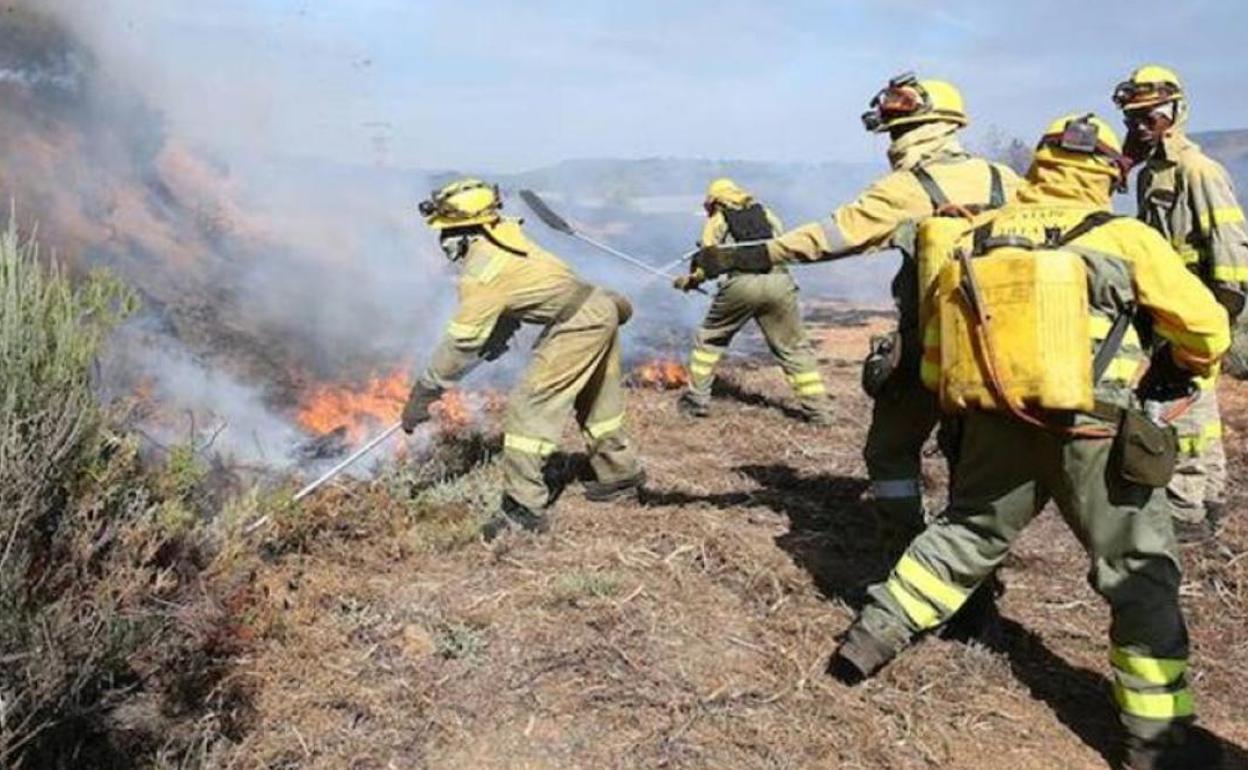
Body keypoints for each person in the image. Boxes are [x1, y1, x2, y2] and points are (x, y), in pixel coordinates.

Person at [829, 114, 1230, 770]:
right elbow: (1207, 330)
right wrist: (1174, 363)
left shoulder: (978, 235)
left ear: (1041, 165)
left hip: (994, 421)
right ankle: (1157, 742)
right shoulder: (1124, 237)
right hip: (1094, 431)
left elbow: (937, 343)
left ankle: (869, 639)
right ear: (1106, 171)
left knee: (965, 533)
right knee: (1139, 572)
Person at [691, 73, 1021, 552]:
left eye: (893, 128)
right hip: (1002, 345)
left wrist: (739, 256)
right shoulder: (1006, 179)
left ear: (910, 128)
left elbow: (828, 238)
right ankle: (970, 551)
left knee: (889, 453)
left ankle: (905, 549)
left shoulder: (906, 187)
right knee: (970, 455)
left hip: (931, 343)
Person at [404, 178, 645, 539]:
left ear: (471, 231)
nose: (444, 243)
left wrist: (425, 391)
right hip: (599, 308)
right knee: (598, 401)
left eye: (448, 233)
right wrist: (497, 338)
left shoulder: (482, 273)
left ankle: (523, 509)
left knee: (528, 407)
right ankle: (619, 473)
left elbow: (460, 343)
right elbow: (516, 297)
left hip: (578, 324)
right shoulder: (505, 237)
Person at [1114, 65, 1248, 542]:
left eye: (1149, 117)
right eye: (1132, 119)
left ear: (1175, 112)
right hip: (1171, 309)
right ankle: (1211, 498)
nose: (1139, 126)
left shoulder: (1198, 170)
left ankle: (1186, 510)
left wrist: (1218, 317)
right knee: (1198, 404)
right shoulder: (1153, 172)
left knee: (1178, 402)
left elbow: (1232, 250)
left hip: (1196, 310)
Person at [673, 178, 833, 424]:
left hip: (742, 285)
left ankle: (696, 401)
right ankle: (819, 411)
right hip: (779, 282)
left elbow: (710, 260)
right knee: (793, 348)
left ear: (715, 200)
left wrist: (692, 280)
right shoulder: (767, 215)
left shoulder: (717, 220)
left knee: (710, 340)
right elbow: (781, 246)